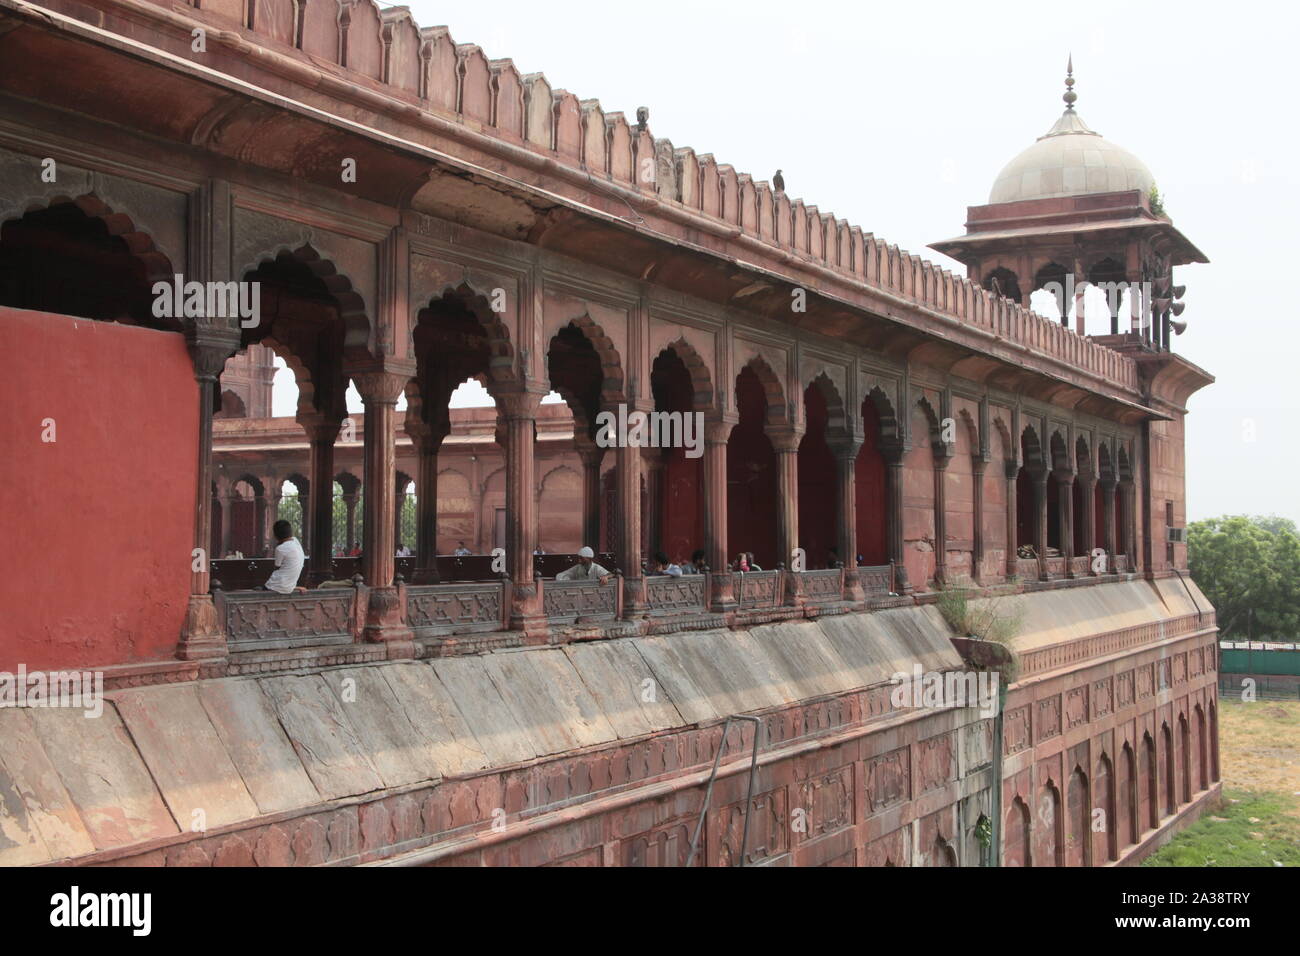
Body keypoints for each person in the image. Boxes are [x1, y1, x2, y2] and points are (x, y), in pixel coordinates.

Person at [265, 520, 307, 594]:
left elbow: (277, 566)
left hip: (275, 586)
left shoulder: (280, 548)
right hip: (290, 587)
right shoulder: (296, 541)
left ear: (276, 535)